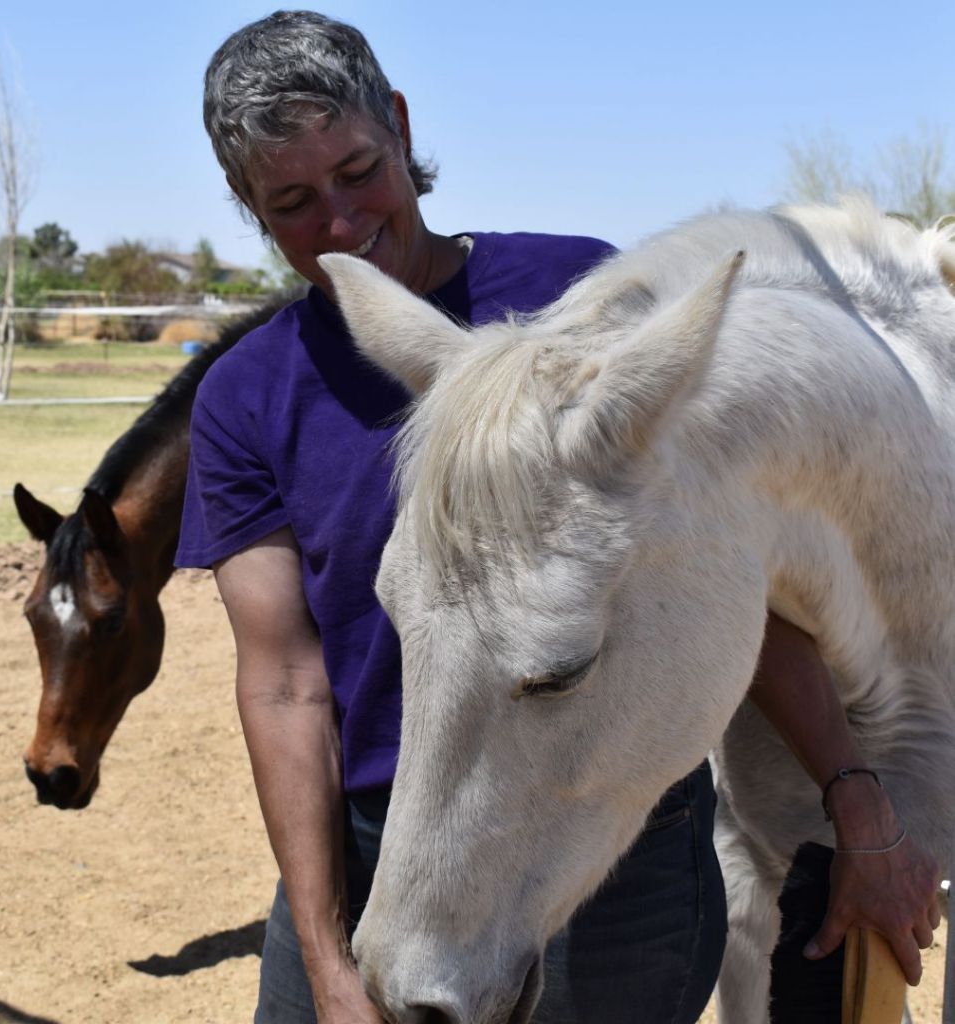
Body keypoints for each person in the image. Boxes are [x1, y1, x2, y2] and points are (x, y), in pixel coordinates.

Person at [176, 11, 940, 1023]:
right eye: (292, 201)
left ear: (399, 127)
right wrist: (324, 954)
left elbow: (722, 568)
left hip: (615, 864)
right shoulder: (245, 396)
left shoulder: (580, 297)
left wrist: (855, 798)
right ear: (247, 203)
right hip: (389, 840)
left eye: (358, 170)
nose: (342, 222)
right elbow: (283, 685)